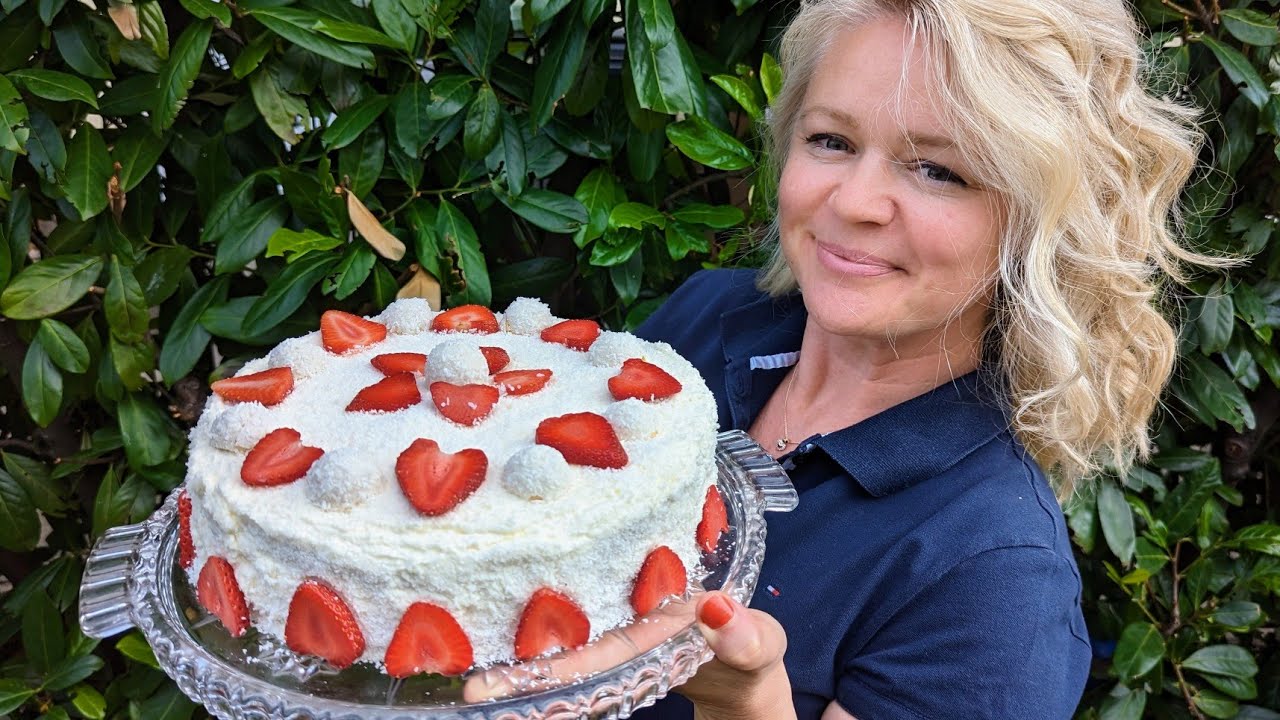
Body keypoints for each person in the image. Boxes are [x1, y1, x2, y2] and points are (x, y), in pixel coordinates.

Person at [618, 0, 1222, 718]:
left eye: (938, 170)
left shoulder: (992, 578)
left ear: (1038, 224)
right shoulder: (704, 317)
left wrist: (745, 704)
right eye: (832, 141)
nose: (855, 201)